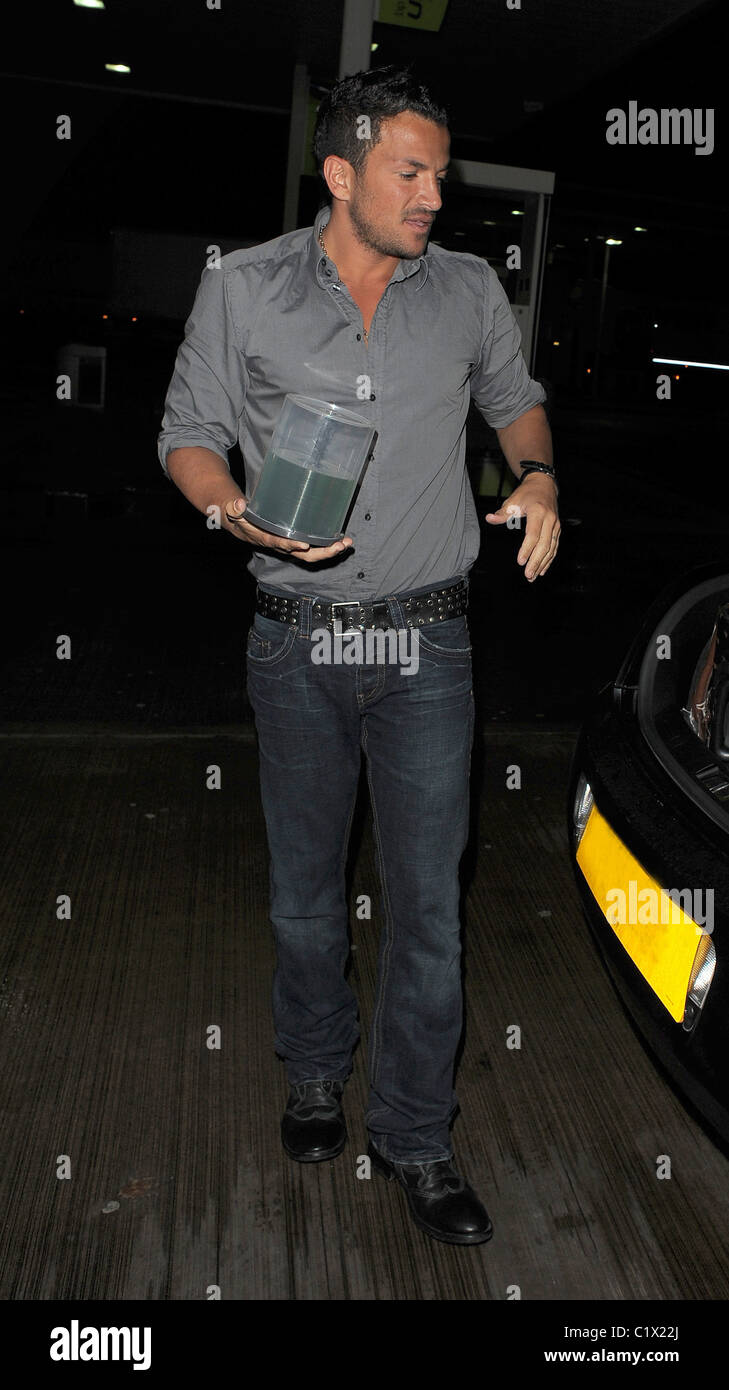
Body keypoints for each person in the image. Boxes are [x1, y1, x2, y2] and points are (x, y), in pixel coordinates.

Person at [158, 65, 560, 1247]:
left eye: (441, 171)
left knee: (431, 906)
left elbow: (517, 404)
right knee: (305, 898)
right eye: (412, 172)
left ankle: (418, 1134)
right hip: (295, 640)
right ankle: (315, 1072)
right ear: (342, 173)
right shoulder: (245, 289)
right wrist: (233, 510)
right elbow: (186, 433)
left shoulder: (471, 291)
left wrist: (536, 473)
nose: (438, 193)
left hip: (431, 641)